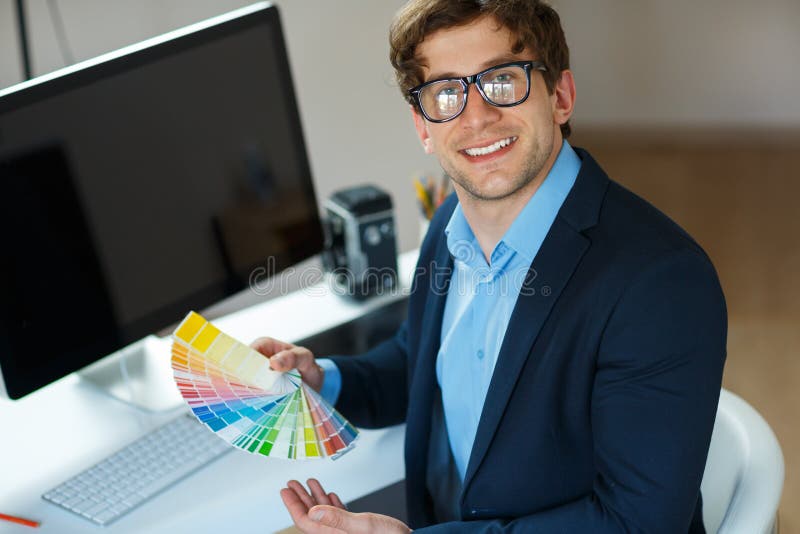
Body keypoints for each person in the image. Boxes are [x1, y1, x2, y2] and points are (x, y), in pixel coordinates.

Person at [252, 0, 727, 532]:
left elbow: (636, 523)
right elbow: (422, 362)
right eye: (447, 92)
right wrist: (326, 378)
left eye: (503, 81)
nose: (476, 117)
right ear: (423, 126)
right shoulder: (449, 223)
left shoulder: (661, 282)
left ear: (561, 97)